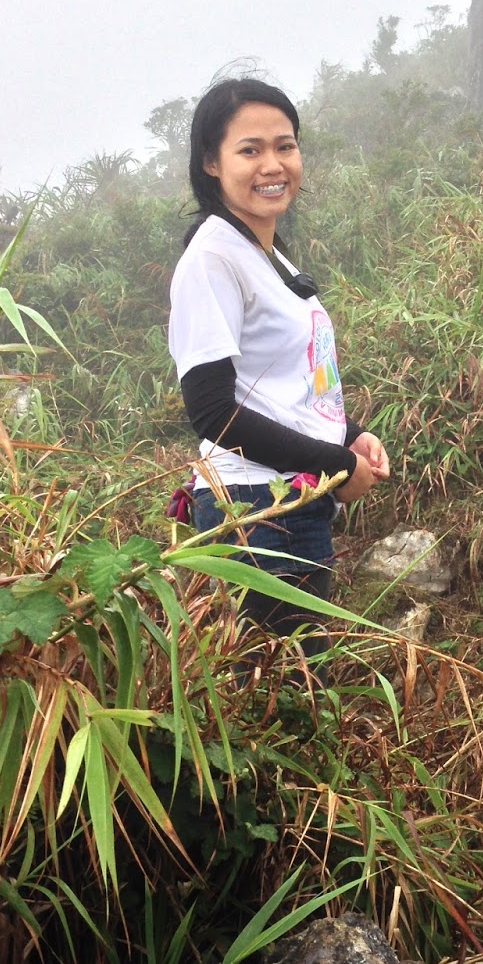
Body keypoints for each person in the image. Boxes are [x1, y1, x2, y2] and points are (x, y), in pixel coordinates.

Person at [167, 78, 389, 672]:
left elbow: (282, 381)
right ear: (211, 162)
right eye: (250, 150)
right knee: (277, 695)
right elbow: (214, 413)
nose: (273, 164)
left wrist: (348, 436)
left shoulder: (267, 251)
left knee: (295, 691)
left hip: (292, 504)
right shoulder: (212, 258)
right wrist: (339, 467)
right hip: (252, 512)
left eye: (285, 146)